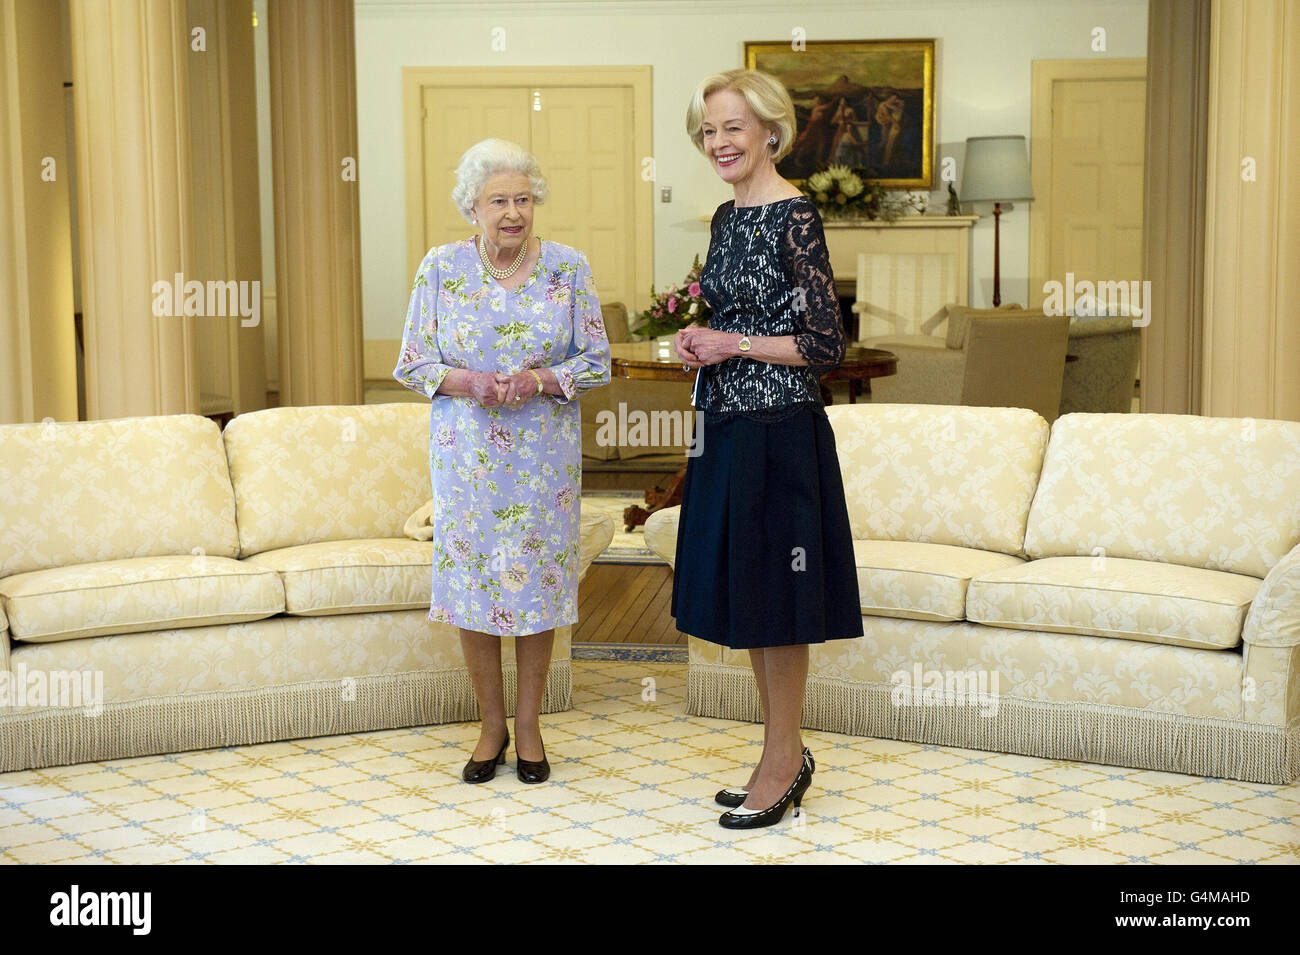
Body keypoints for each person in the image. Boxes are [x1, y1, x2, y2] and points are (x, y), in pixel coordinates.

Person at [675, 69, 864, 829]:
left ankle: (784, 759)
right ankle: (776, 751)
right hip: (724, 425)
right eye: (709, 130)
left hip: (782, 433)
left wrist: (734, 341)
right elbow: (733, 319)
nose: (719, 142)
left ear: (770, 133)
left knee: (782, 603)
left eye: (733, 128)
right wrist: (701, 340)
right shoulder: (724, 218)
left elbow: (824, 343)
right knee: (752, 598)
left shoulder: (797, 216)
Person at [392, 138, 610, 786]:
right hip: (468, 462)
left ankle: (531, 724)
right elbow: (412, 362)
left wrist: (541, 378)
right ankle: (491, 726)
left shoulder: (567, 268)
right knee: (476, 593)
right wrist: (470, 382)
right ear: (473, 207)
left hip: (543, 463)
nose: (512, 212)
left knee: (536, 592)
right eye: (498, 201)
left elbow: (595, 360)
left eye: (522, 199)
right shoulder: (441, 268)